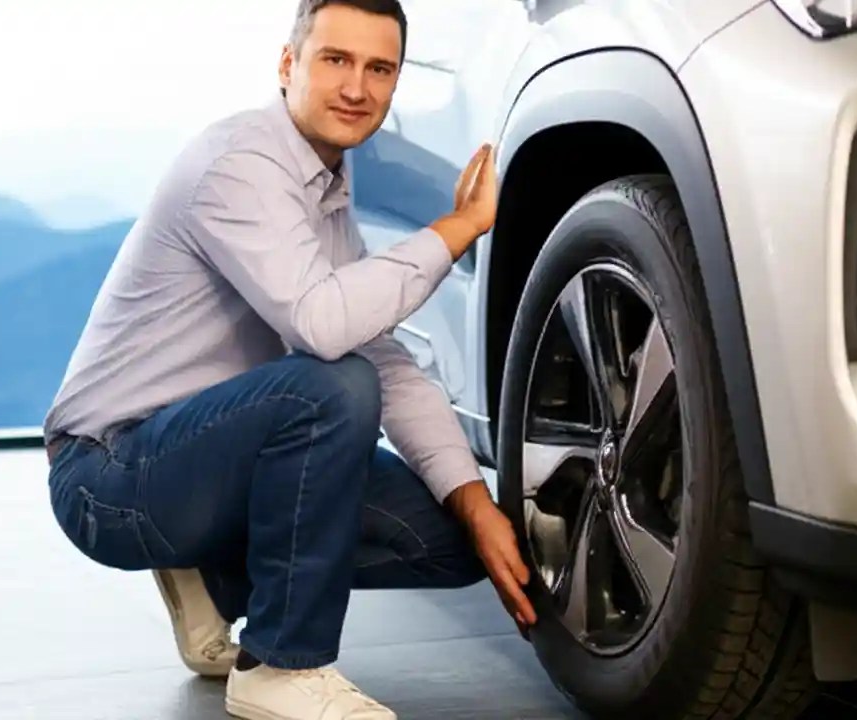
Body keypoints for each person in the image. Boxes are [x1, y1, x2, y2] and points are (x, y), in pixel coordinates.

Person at [42, 0, 538, 717]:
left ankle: (212, 583)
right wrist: (457, 228)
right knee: (330, 385)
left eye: (380, 69)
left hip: (208, 464)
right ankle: (279, 665)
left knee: (453, 542)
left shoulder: (327, 189)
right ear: (287, 65)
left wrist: (473, 500)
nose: (357, 88)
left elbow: (386, 359)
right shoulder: (241, 163)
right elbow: (324, 327)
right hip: (109, 478)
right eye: (335, 60)